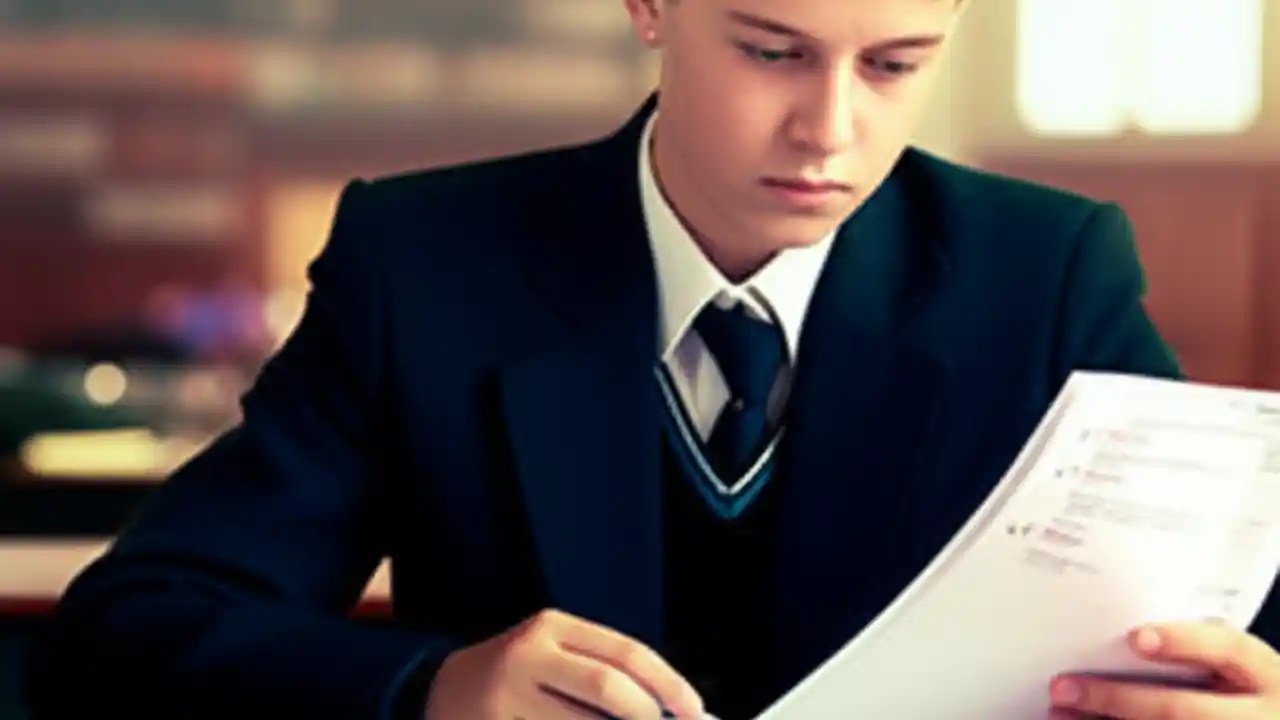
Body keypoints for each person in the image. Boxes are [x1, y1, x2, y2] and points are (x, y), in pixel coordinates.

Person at [24, 1, 1280, 718]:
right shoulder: (425, 263)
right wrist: (432, 691)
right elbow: (123, 635)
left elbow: (1236, 628)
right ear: (650, 6)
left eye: (895, 66)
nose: (829, 130)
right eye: (769, 49)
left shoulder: (1046, 272)